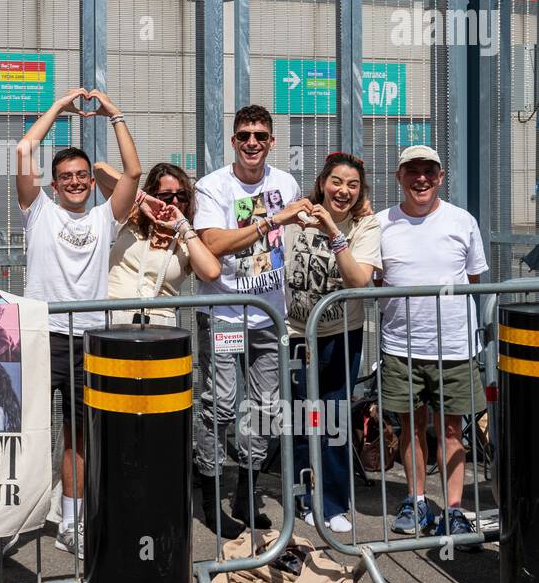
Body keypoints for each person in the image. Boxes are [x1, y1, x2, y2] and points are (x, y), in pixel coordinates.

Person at [13, 86, 143, 561]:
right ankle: (8, 522)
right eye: (65, 175)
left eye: (81, 176)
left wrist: (113, 112)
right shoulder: (37, 211)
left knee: (77, 436)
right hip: (39, 338)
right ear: (53, 183)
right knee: (25, 435)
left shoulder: (107, 218)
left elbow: (131, 172)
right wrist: (59, 108)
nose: (73, 181)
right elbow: (25, 149)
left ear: (91, 181)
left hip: (87, 341)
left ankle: (71, 521)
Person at [194, 105, 315, 537]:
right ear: (233, 141)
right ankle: (209, 494)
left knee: (265, 410)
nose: (252, 143)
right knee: (221, 405)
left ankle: (246, 492)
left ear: (271, 142)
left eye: (260, 136)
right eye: (244, 135)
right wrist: (271, 221)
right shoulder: (212, 187)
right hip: (225, 314)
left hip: (270, 317)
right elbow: (213, 243)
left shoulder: (285, 183)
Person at [376, 145, 487, 546]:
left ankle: (454, 509)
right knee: (411, 427)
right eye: (412, 171)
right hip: (401, 346)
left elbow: (476, 281)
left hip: (454, 347)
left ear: (440, 177)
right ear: (399, 176)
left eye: (429, 171)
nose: (420, 178)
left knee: (453, 430)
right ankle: (416, 499)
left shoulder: (462, 221)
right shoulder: (381, 223)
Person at [284, 152, 382, 534]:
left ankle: (334, 502)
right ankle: (301, 497)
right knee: (298, 420)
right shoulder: (297, 215)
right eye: (337, 182)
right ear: (323, 182)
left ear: (361, 192)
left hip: (341, 334)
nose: (343, 191)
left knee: (334, 418)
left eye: (353, 185)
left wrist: (334, 233)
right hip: (294, 334)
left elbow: (359, 281)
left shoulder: (365, 225)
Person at [96, 161, 222, 326]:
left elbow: (212, 272)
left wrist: (183, 226)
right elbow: (99, 170)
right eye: (167, 196)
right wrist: (140, 198)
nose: (175, 201)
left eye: (182, 195)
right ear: (154, 195)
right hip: (114, 315)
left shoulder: (188, 239)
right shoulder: (131, 215)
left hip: (160, 323)